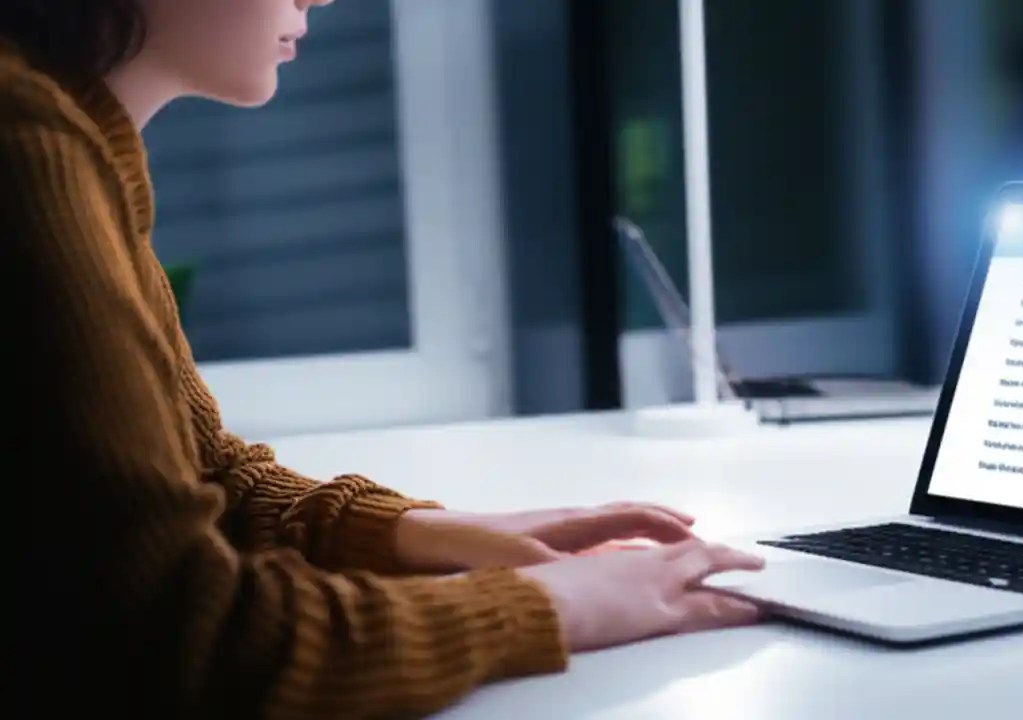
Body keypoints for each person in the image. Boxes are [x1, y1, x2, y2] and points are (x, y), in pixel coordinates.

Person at [1, 1, 766, 717]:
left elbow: (208, 476)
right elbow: (196, 639)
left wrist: (431, 534)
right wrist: (558, 604)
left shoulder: (76, 142)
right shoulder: (26, 146)